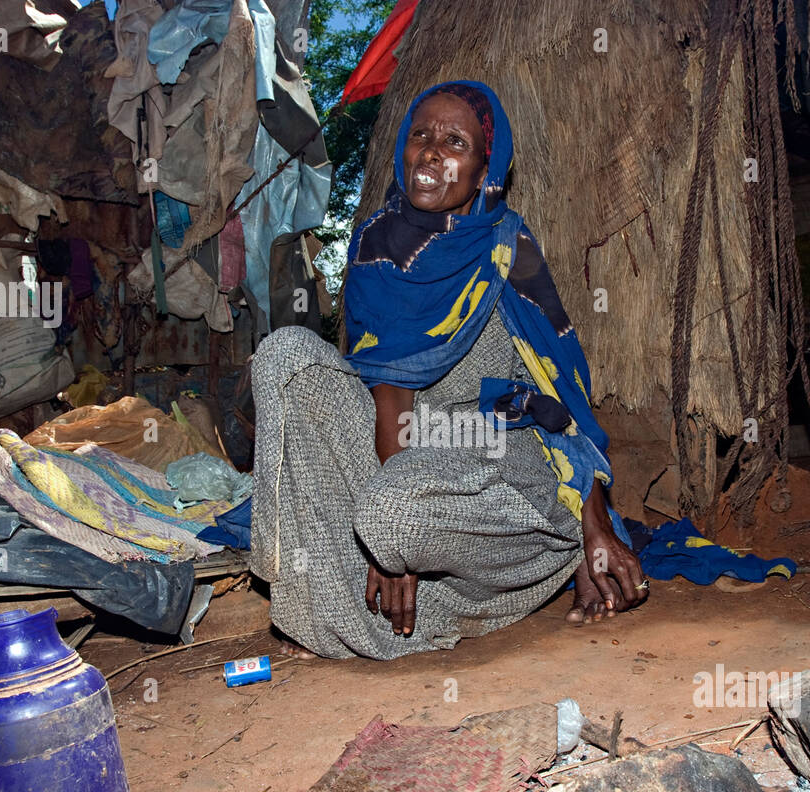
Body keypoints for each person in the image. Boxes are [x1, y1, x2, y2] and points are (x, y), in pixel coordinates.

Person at [249, 80, 647, 660]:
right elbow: (389, 393)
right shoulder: (375, 245)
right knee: (285, 355)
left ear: (488, 166)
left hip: (500, 453)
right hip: (406, 450)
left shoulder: (508, 248)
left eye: (455, 141)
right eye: (421, 136)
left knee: (395, 511)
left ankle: (544, 558)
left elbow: (557, 398)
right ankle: (340, 607)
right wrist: (393, 528)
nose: (432, 152)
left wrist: (596, 524)